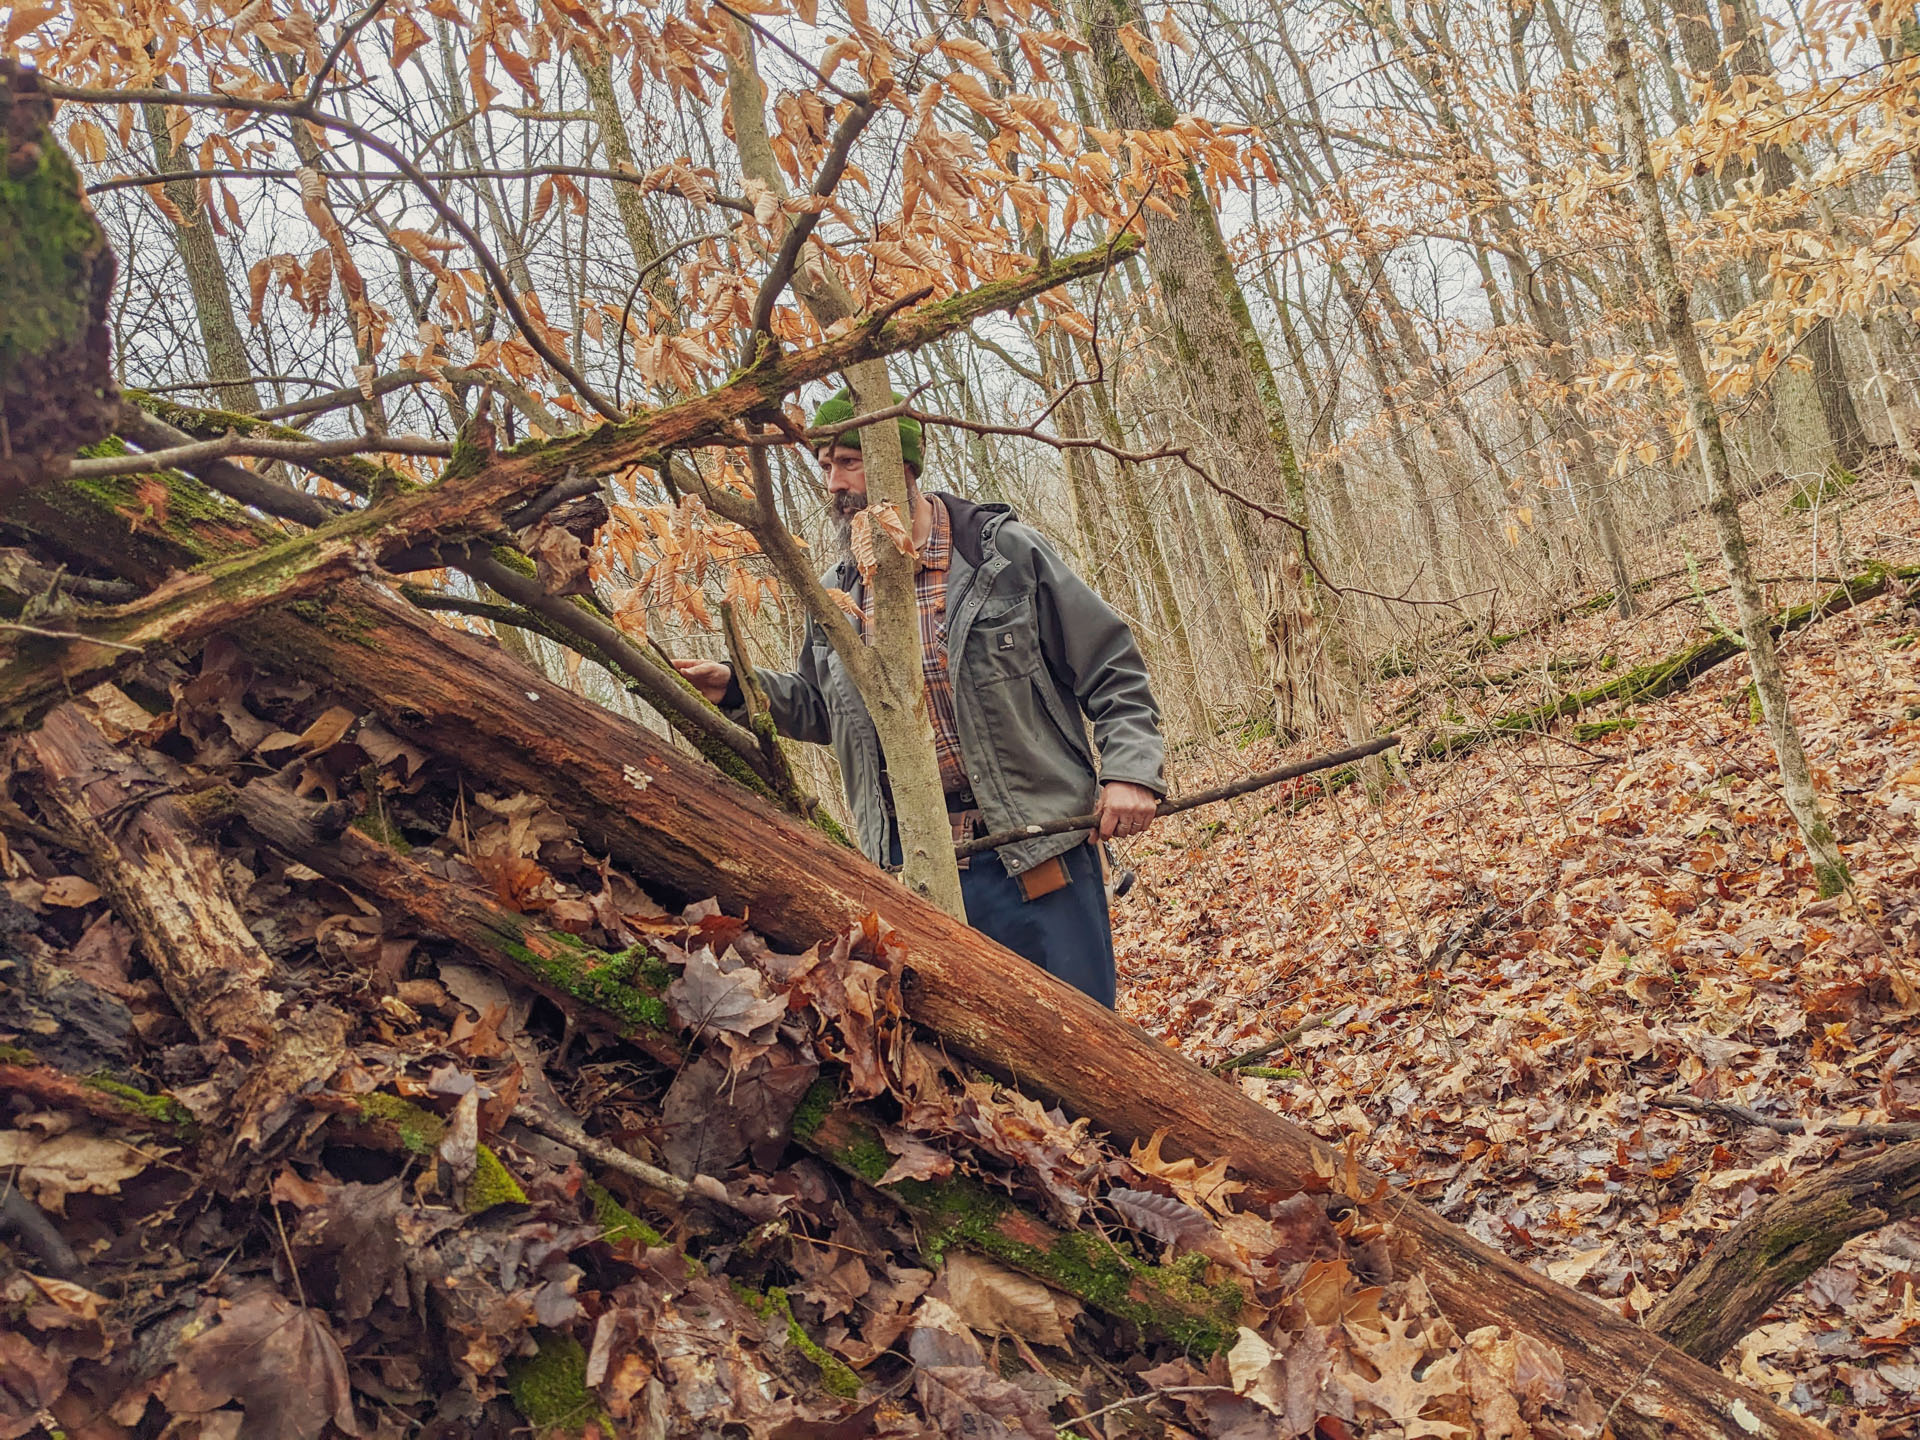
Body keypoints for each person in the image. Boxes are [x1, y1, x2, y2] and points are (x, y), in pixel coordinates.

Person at [676, 390, 1164, 1007]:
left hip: (1040, 847)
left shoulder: (999, 555)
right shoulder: (837, 594)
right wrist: (737, 687)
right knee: (971, 1055)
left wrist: (1130, 772)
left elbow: (1109, 664)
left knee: (1084, 1031)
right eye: (825, 466)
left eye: (849, 462)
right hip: (919, 870)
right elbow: (824, 708)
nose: (834, 483)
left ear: (898, 464)